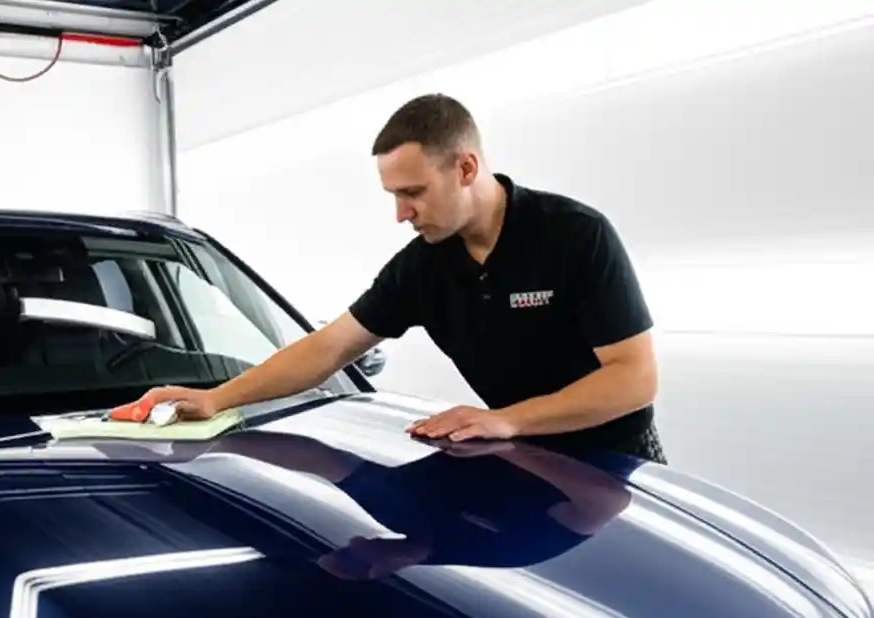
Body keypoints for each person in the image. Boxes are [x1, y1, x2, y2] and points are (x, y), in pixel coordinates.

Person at [142, 93, 666, 464]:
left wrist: (509, 419)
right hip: (520, 456)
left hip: (615, 463)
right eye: (393, 195)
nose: (401, 213)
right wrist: (217, 399)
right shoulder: (422, 266)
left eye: (413, 192)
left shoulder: (575, 235)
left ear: (466, 168)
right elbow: (329, 348)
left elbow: (634, 379)